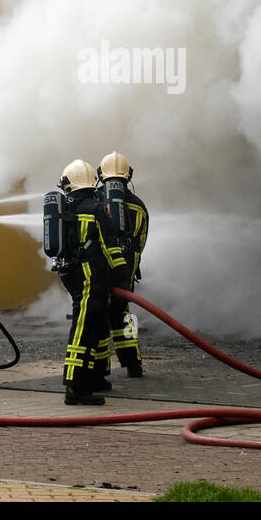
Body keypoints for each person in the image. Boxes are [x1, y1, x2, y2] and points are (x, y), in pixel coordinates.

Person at [55, 159, 126, 405]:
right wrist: (123, 277)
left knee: (95, 325)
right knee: (84, 327)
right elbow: (111, 248)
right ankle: (75, 387)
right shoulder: (96, 209)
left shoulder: (66, 207)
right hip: (90, 276)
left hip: (73, 274)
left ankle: (94, 377)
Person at [97, 151, 149, 379]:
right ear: (129, 176)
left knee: (97, 317)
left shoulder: (95, 201)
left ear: (100, 174)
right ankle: (133, 365)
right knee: (123, 316)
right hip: (125, 272)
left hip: (99, 270)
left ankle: (100, 368)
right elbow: (140, 242)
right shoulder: (139, 206)